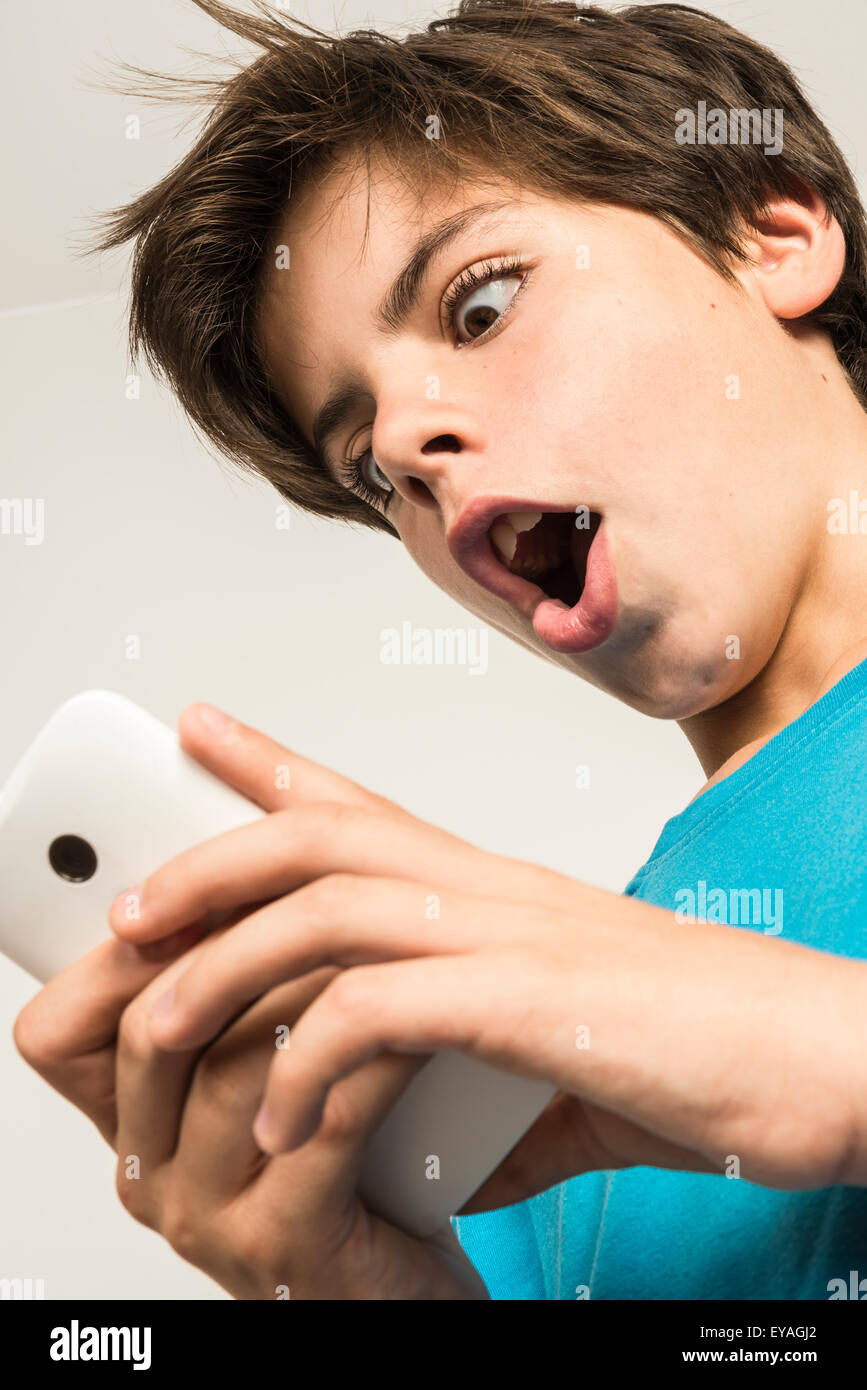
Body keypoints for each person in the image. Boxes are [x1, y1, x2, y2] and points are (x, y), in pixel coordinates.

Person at [14, 0, 867, 1299]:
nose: (406, 440)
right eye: (362, 462)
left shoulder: (602, 979)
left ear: (777, 232)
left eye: (477, 308)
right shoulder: (529, 1060)